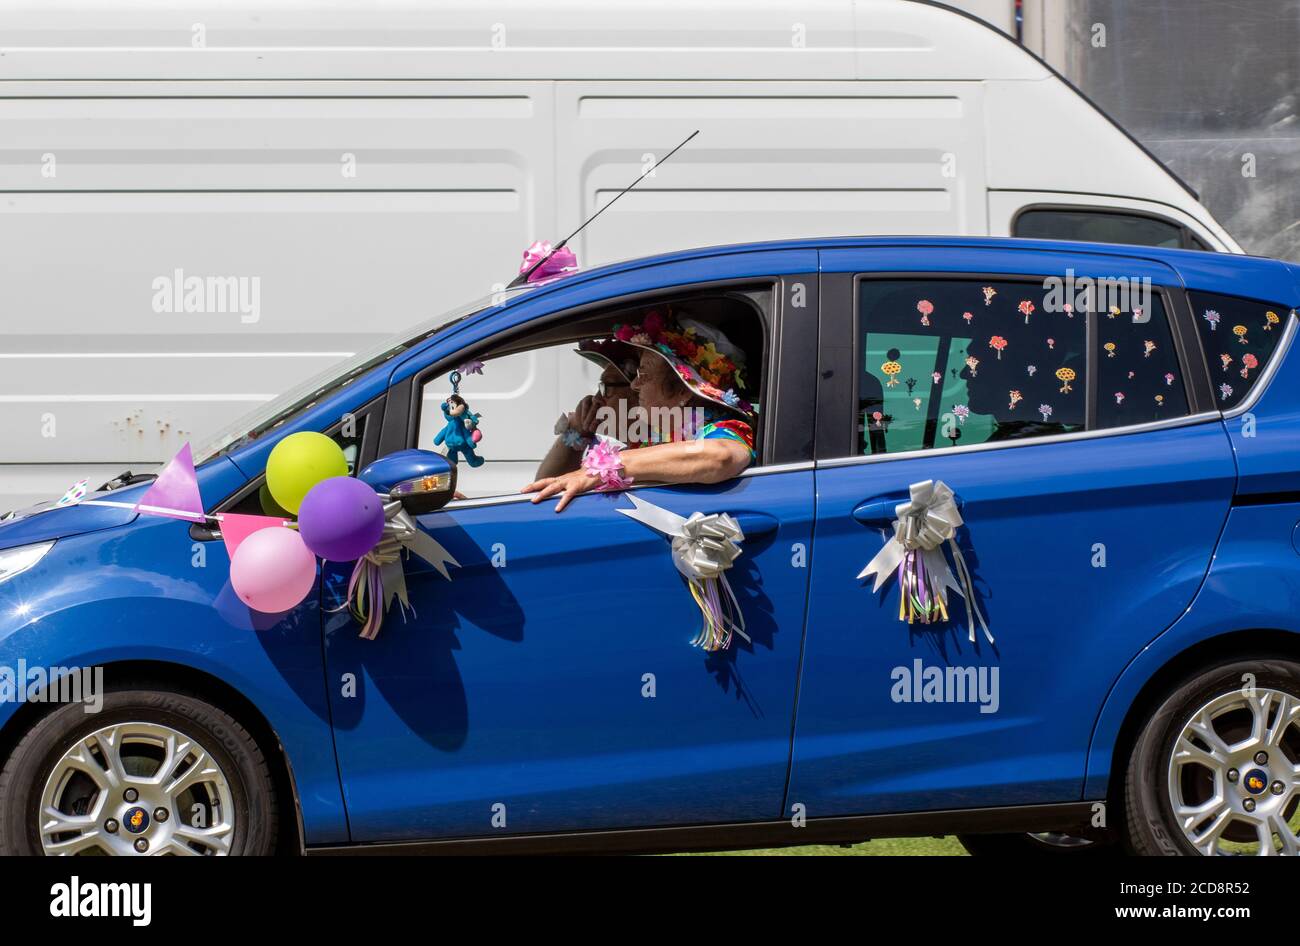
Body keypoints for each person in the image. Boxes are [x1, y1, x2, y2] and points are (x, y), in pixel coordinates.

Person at [522, 309, 757, 512]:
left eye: (643, 374)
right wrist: (576, 432)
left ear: (684, 391)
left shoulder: (722, 429)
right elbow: (544, 491)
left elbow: (721, 456)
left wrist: (610, 465)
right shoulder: (652, 438)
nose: (635, 385)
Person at [533, 338, 639, 479]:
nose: (596, 399)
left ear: (638, 392)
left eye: (607, 387)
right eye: (600, 387)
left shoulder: (662, 441)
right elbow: (544, 484)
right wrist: (577, 431)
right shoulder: (603, 439)